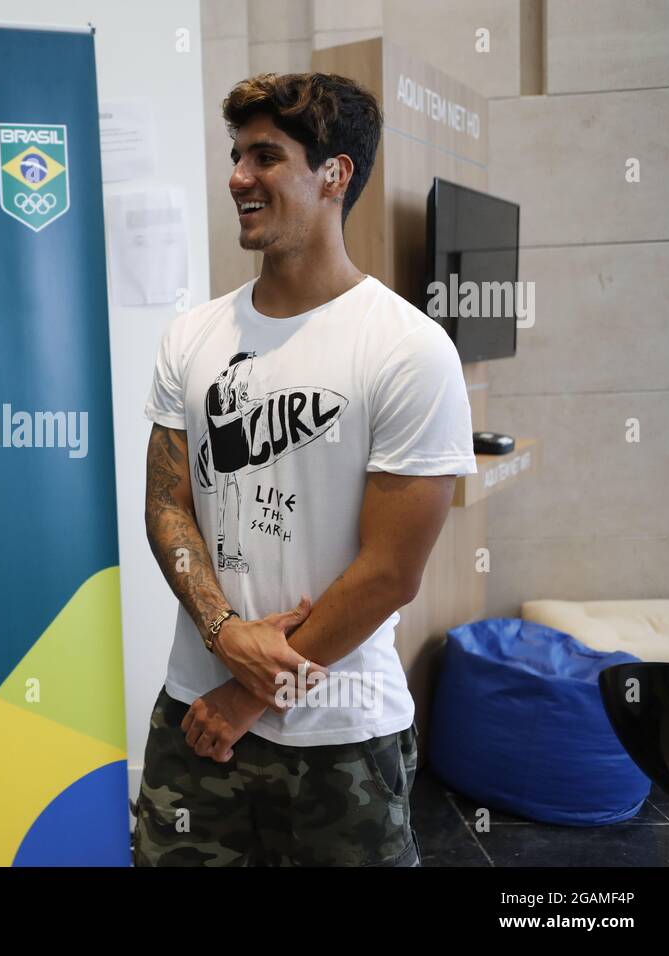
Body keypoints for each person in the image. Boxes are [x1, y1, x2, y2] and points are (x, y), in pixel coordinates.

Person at [135, 72, 476, 868]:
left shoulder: (408, 348)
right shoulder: (191, 337)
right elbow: (166, 506)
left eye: (266, 156)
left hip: (343, 736)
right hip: (195, 723)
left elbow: (391, 572)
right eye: (235, 156)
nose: (238, 178)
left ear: (335, 175)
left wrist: (252, 689)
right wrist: (224, 634)